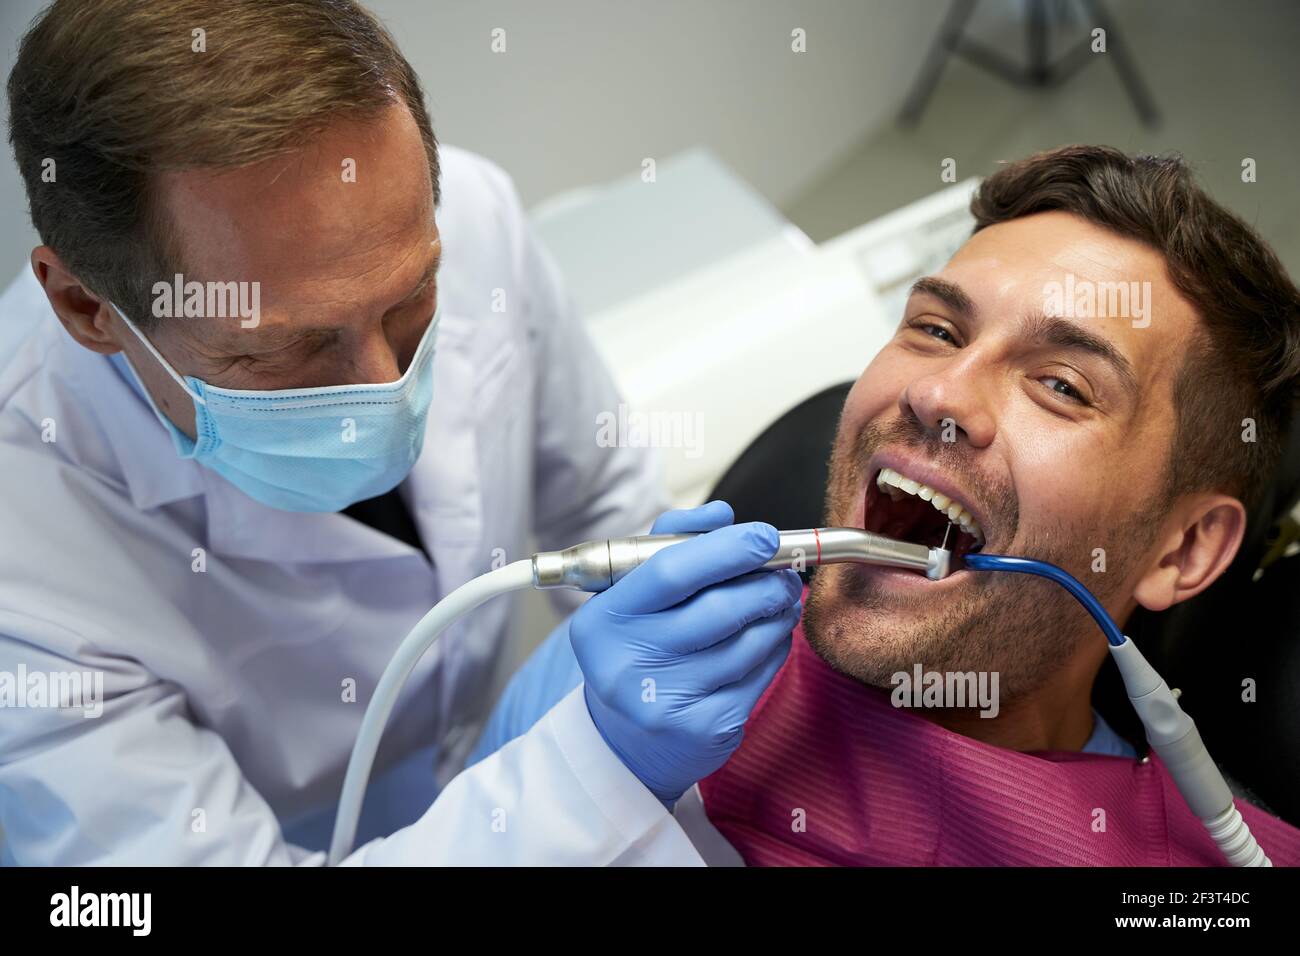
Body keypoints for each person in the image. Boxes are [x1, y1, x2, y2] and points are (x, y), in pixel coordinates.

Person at [0, 0, 800, 865]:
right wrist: (594, 780)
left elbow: (603, 503)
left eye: (412, 300)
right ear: (89, 307)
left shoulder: (476, 218)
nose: (386, 391)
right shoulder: (26, 573)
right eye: (292, 345)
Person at [473, 145, 1300, 866]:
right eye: (937, 330)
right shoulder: (630, 683)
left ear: (1183, 549)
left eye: (1060, 385)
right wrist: (594, 775)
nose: (939, 391)